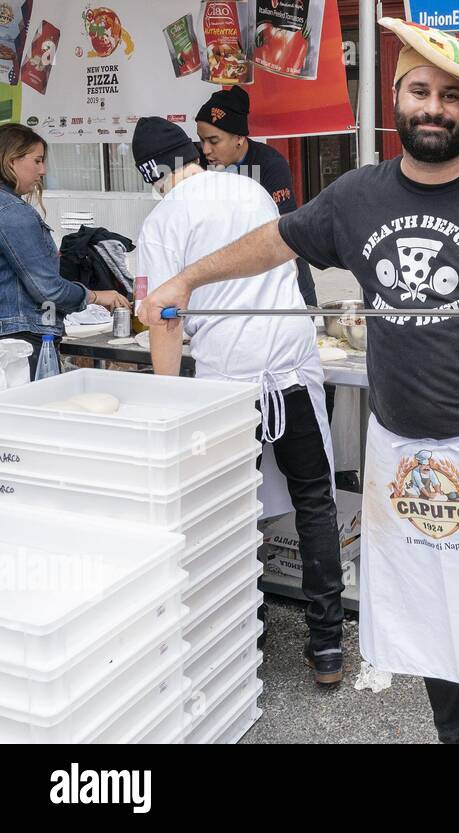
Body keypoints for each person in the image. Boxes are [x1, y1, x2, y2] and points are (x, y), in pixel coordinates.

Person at [140, 19, 459, 744]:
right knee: (437, 626)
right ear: (395, 97)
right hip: (407, 455)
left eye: (451, 96)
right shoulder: (360, 194)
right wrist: (188, 276)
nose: (433, 106)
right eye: (419, 90)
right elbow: (277, 239)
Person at [130, 116, 345, 685]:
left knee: (231, 513)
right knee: (315, 504)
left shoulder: (161, 219)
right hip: (293, 365)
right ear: (190, 154)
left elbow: (164, 319)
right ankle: (326, 646)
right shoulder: (249, 187)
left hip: (228, 382)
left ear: (152, 174)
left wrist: (167, 404)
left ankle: (247, 635)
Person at [0, 123, 128, 377]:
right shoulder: (13, 212)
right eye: (37, 161)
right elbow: (46, 289)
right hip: (23, 341)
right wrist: (94, 296)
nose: (43, 171)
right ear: (11, 160)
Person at [196, 86, 318, 307]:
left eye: (213, 141)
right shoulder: (199, 165)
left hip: (282, 278)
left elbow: (286, 228)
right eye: (201, 140)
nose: (205, 150)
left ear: (239, 138)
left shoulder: (270, 164)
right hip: (229, 282)